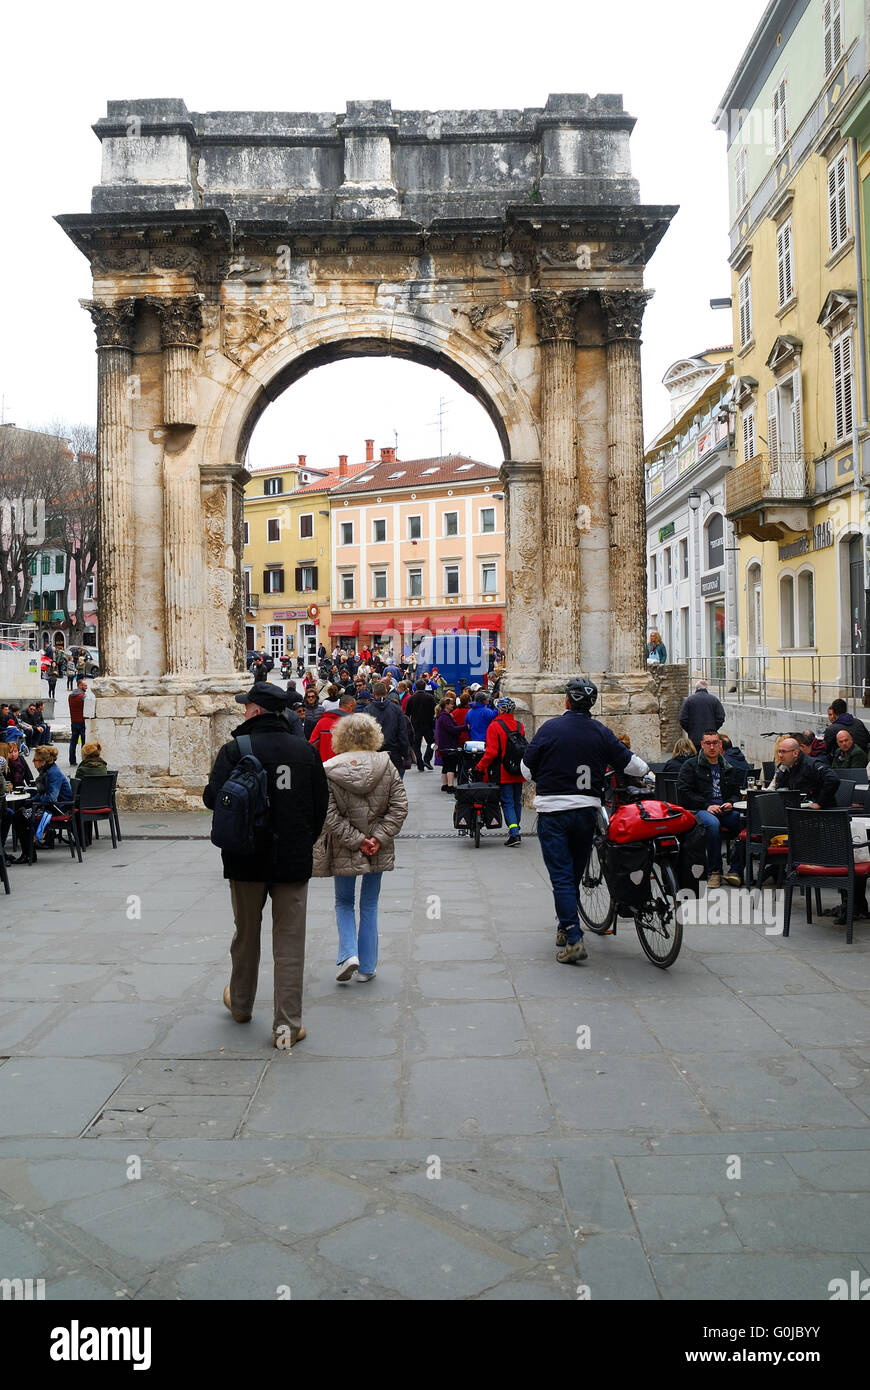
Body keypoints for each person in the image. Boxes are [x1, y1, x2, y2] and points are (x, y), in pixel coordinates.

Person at [203, 680, 329, 1050]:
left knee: (246, 935)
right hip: (291, 861)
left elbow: (213, 798)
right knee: (290, 945)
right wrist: (301, 840)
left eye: (246, 707)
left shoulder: (235, 749)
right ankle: (287, 1026)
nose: (243, 711)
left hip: (244, 858)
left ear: (256, 711)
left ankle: (240, 1003)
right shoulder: (305, 751)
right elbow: (320, 806)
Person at [522, 678, 649, 964]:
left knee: (561, 876)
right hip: (586, 812)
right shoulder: (600, 732)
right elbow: (632, 765)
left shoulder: (550, 729)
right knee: (575, 873)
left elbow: (526, 770)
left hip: (554, 812)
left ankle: (573, 936)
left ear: (566, 701)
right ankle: (563, 927)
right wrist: (648, 772)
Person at [312, 712, 409, 984]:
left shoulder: (329, 768)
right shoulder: (386, 765)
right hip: (378, 845)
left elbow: (328, 814)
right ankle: (366, 966)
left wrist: (356, 839)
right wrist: (377, 838)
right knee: (370, 902)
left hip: (345, 846)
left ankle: (349, 954)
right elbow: (399, 807)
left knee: (344, 902)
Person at [675, 731, 745, 888]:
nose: (712, 747)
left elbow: (735, 792)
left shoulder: (727, 766)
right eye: (708, 743)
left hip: (723, 809)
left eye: (715, 743)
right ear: (702, 745)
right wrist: (706, 804)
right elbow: (684, 793)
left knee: (745, 822)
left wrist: (731, 803)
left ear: (721, 745)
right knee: (713, 824)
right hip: (699, 809)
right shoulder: (691, 765)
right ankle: (715, 872)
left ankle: (735, 870)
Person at [475, 696, 526, 846]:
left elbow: (491, 752)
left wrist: (479, 766)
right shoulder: (519, 726)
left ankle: (514, 834)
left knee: (507, 802)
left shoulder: (495, 726)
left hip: (503, 771)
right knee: (517, 801)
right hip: (518, 769)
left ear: (499, 710)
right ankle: (516, 827)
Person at [11, 744, 73, 865]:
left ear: (43, 762)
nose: (33, 762)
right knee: (19, 813)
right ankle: (28, 852)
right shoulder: (47, 771)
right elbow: (42, 794)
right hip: (51, 807)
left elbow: (51, 798)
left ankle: (29, 854)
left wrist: (35, 802)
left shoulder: (53, 773)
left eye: (35, 760)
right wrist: (30, 801)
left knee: (19, 817)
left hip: (58, 809)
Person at [772, 736, 838, 807]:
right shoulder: (785, 766)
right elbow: (780, 787)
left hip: (818, 811)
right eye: (779, 751)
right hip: (796, 808)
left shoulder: (811, 764)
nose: (780, 755)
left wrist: (820, 803)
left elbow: (833, 779)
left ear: (795, 753)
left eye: (784, 752)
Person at [367, 681, 411, 777]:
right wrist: (405, 753)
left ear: (374, 694)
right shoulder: (396, 709)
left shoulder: (367, 710)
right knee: (396, 783)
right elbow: (402, 733)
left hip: (375, 753)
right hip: (394, 751)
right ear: (386, 692)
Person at [679, 680, 726, 750]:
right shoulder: (714, 700)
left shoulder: (689, 700)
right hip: (711, 739)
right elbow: (721, 717)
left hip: (694, 738)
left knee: (695, 759)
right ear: (706, 688)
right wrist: (713, 729)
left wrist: (691, 730)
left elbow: (682, 719)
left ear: (697, 688)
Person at [310, 693, 356, 762]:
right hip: (346, 767)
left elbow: (312, 745)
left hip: (325, 766)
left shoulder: (322, 722)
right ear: (351, 706)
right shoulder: (353, 724)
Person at [434, 692, 464, 791]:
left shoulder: (441, 715)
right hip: (448, 744)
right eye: (451, 704)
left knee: (445, 765)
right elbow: (451, 729)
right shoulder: (445, 716)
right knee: (451, 765)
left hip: (442, 744)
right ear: (446, 705)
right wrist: (465, 727)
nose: (453, 705)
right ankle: (450, 786)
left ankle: (445, 784)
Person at [405, 679, 436, 771]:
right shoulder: (430, 698)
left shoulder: (411, 698)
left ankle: (419, 762)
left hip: (415, 725)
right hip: (428, 724)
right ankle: (427, 759)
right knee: (432, 743)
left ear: (416, 687)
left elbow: (407, 713)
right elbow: (434, 711)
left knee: (416, 745)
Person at [68, 680, 89, 766]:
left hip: (73, 722)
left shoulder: (70, 696)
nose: (86, 687)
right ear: (79, 686)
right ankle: (84, 761)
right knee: (84, 743)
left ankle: (72, 760)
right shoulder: (83, 696)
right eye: (85, 685)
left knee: (73, 742)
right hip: (82, 722)